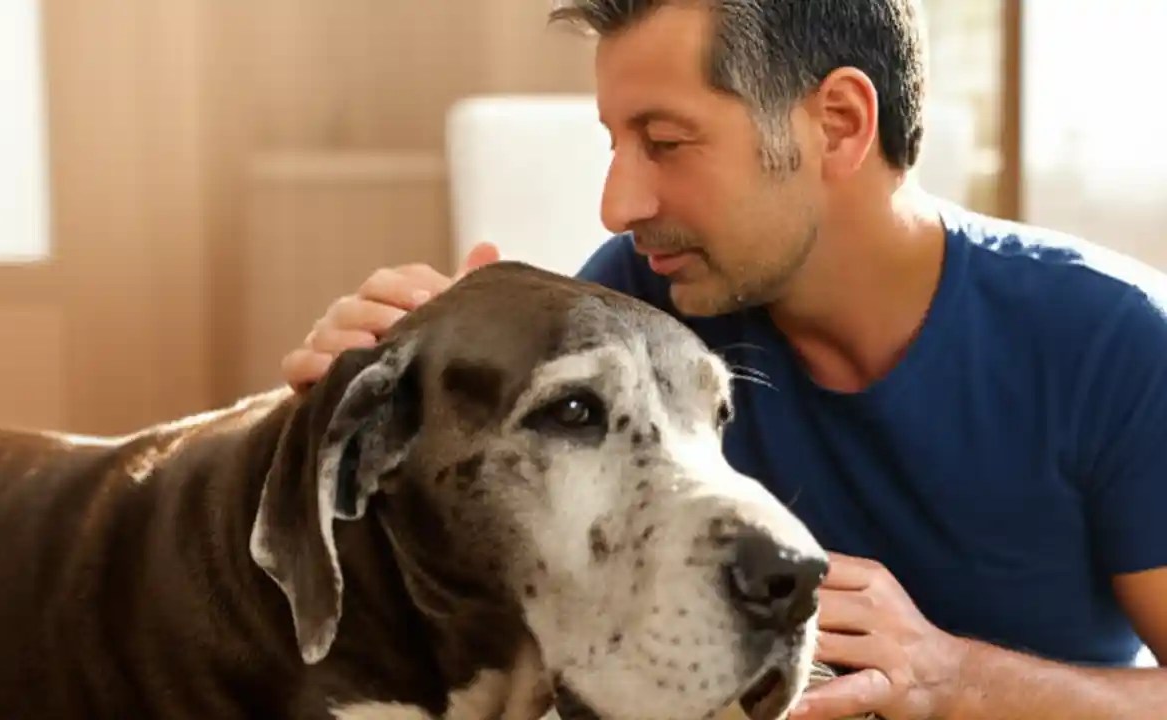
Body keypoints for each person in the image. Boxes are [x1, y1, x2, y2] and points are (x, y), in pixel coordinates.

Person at [280, 1, 1167, 717]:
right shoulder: (647, 304)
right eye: (614, 144)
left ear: (839, 123)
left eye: (665, 143)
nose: (617, 201)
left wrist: (948, 677)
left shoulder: (1116, 343)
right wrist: (378, 379)